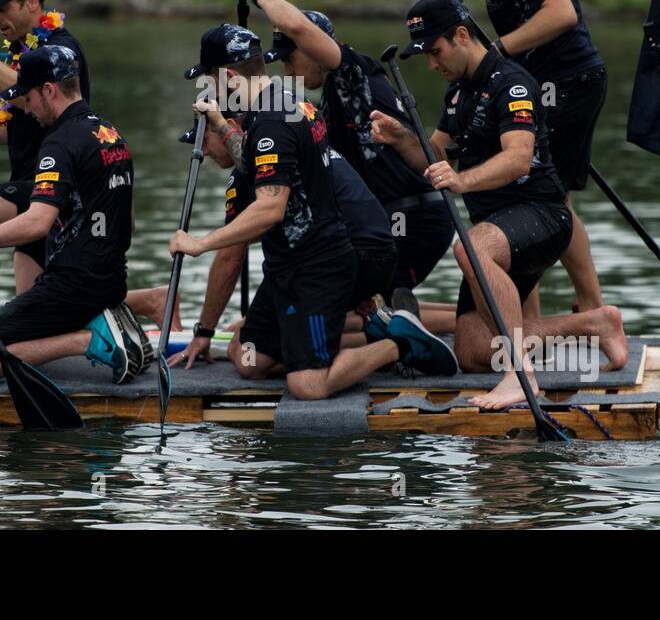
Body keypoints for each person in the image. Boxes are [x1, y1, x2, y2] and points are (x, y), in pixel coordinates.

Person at [167, 25, 457, 400]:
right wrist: (223, 127)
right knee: (248, 361)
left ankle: (399, 345)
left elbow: (272, 207)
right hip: (289, 267)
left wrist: (198, 244)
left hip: (319, 266)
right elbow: (259, 161)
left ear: (231, 78)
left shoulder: (272, 122)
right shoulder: (284, 103)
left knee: (307, 386)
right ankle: (340, 339)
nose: (210, 90)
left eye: (211, 81)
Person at [372, 0, 628, 409]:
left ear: (461, 35)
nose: (432, 65)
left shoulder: (513, 82)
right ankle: (594, 323)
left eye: (435, 53)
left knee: (470, 247)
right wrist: (402, 138)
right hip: (499, 230)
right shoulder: (458, 95)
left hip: (542, 217)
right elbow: (434, 155)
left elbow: (518, 156)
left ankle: (519, 374)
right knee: (474, 352)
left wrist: (462, 179)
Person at [0, 0, 172, 330]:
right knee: (39, 315)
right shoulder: (19, 50)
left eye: (0, 7)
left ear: (32, 3)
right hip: (33, 182)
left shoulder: (60, 51)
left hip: (55, 187)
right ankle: (150, 299)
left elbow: (28, 100)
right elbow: (22, 121)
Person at [420, 0, 607, 312]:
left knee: (547, 198)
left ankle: (589, 306)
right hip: (548, 79)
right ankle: (534, 314)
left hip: (566, 81)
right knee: (536, 196)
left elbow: (564, 12)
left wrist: (499, 50)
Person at [0, 45, 149, 385]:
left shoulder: (59, 144)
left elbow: (36, 222)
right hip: (110, 282)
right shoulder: (110, 133)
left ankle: (92, 340)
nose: (26, 109)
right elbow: (127, 222)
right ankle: (103, 323)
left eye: (27, 98)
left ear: (49, 90)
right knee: (9, 327)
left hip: (71, 288)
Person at [166, 104, 450, 369]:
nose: (202, 152)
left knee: (246, 356)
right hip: (373, 251)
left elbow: (230, 256)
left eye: (203, 141)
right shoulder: (291, 137)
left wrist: (204, 330)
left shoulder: (255, 167)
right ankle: (385, 321)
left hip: (341, 259)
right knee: (243, 332)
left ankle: (395, 342)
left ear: (229, 128)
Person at [228, 0, 455, 300]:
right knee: (368, 303)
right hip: (388, 218)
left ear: (317, 47)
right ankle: (454, 324)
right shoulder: (325, 107)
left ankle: (404, 335)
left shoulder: (353, 74)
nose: (288, 70)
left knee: (342, 300)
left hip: (415, 218)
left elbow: (299, 28)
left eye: (291, 58)